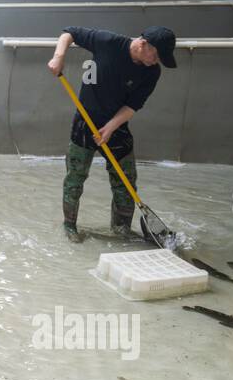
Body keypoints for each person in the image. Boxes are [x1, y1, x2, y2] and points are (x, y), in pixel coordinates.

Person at [46, 25, 177, 242]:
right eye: (156, 55)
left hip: (116, 126)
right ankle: (69, 226)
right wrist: (58, 56)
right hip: (84, 124)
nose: (156, 61)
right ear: (143, 44)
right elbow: (69, 33)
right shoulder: (108, 43)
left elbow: (134, 105)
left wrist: (110, 128)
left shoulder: (152, 72)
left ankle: (121, 230)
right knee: (75, 178)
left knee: (126, 181)